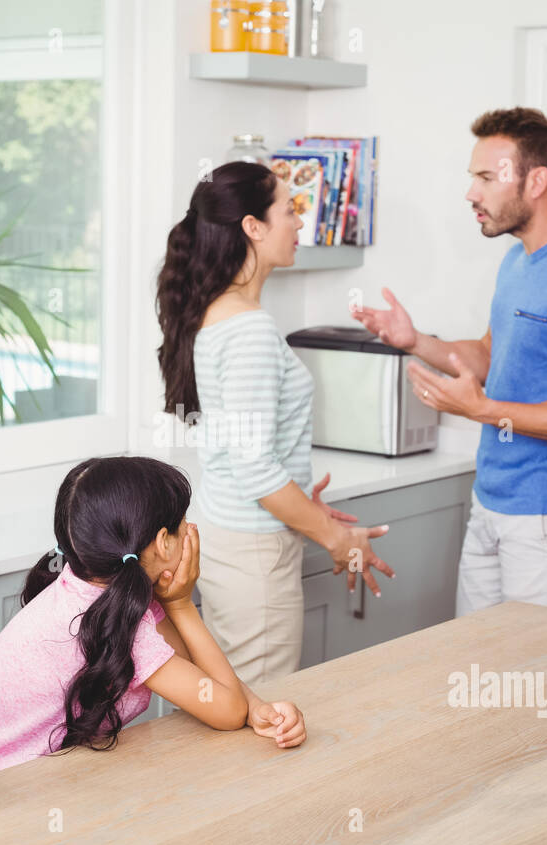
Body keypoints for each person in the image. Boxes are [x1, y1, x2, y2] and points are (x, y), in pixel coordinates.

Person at [352, 107, 547, 614]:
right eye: (472, 178)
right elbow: (488, 356)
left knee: (529, 688)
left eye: (486, 177)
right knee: (479, 676)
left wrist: (482, 410)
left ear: (536, 181)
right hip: (491, 505)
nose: (471, 193)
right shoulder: (518, 259)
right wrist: (415, 339)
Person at [156, 160, 394, 685]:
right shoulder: (249, 330)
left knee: (230, 707)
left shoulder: (216, 313)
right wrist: (335, 537)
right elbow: (257, 470)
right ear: (252, 227)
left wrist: (300, 495)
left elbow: (241, 452)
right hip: (254, 559)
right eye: (290, 209)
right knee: (258, 719)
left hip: (228, 539)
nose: (299, 222)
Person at [0, 455, 306, 774]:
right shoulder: (117, 623)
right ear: (163, 542)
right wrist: (181, 604)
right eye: (185, 523)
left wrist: (257, 707)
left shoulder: (92, 587)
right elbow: (227, 713)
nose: (193, 532)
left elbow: (201, 679)